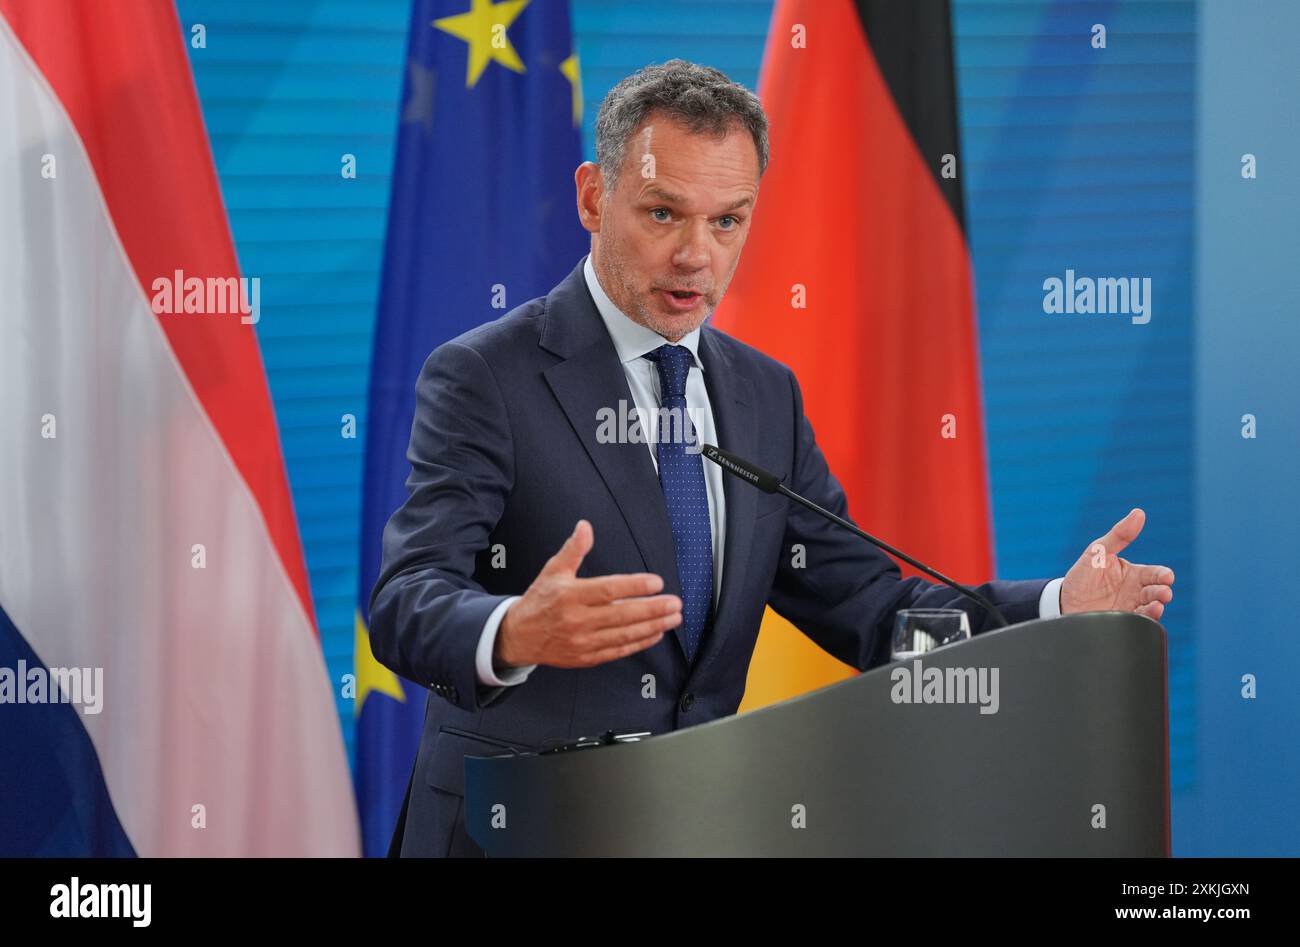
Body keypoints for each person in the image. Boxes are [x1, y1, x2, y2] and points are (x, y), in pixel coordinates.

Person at [368, 60, 1175, 857]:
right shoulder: (486, 376)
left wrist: (1055, 609)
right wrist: (512, 629)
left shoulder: (763, 396)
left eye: (728, 221)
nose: (697, 255)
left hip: (697, 823)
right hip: (513, 830)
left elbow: (872, 610)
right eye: (662, 213)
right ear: (592, 196)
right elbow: (405, 600)